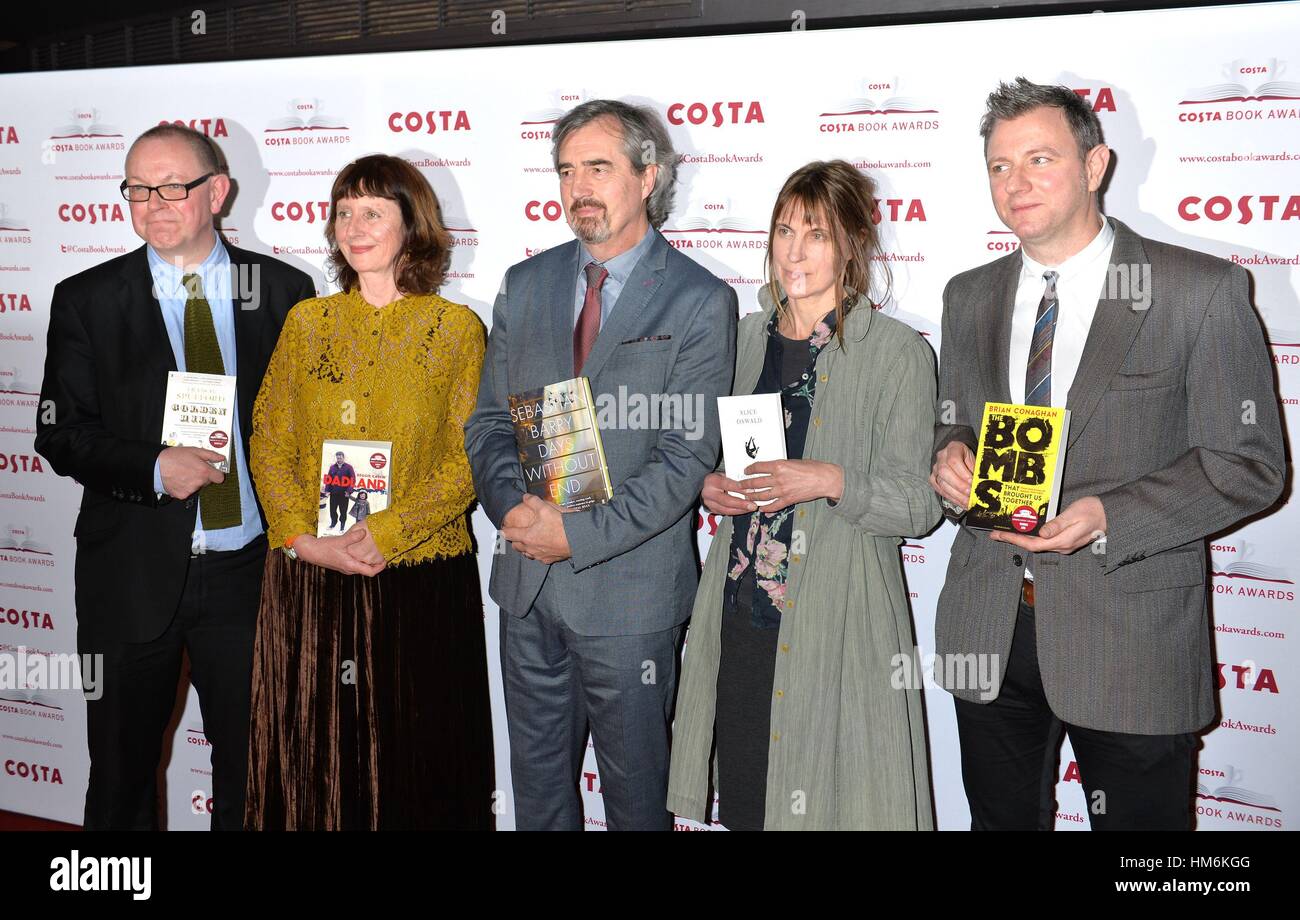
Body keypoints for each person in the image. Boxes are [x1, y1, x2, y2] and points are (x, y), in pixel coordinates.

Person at [929, 78, 1285, 831]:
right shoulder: (969, 295)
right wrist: (950, 454)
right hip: (990, 628)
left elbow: (1249, 462)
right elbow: (953, 419)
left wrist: (1107, 516)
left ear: (1095, 166)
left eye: (1039, 159)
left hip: (1131, 639)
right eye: (999, 165)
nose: (1015, 183)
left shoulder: (1199, 291)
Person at [465, 99, 737, 831]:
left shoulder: (699, 300)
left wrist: (576, 536)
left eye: (598, 167)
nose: (578, 186)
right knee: (541, 802)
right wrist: (512, 512)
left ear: (649, 176)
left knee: (636, 804)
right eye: (565, 170)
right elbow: (489, 421)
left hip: (630, 602)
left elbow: (686, 460)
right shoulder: (526, 286)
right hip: (527, 584)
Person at [34, 124, 315, 830]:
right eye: (137, 189)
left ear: (217, 192)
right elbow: (61, 433)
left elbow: (308, 430)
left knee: (256, 771)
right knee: (122, 774)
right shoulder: (86, 299)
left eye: (172, 186)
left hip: (250, 574)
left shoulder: (284, 290)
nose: (153, 203)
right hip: (127, 572)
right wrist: (154, 465)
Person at [667, 161, 940, 830]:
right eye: (784, 230)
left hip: (838, 624)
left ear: (853, 243)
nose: (794, 251)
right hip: (741, 615)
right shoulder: (741, 337)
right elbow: (714, 458)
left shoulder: (898, 353)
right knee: (752, 808)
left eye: (816, 234)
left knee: (838, 810)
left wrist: (829, 480)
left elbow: (921, 505)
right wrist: (712, 487)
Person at [245, 153, 492, 830]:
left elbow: (470, 456)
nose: (353, 227)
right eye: (344, 211)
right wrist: (302, 539)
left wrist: (384, 534)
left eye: (373, 212)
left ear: (412, 226)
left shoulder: (455, 330)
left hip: (417, 581)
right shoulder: (307, 324)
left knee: (415, 762)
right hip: (314, 580)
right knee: (317, 767)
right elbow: (269, 438)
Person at [324, 450, 354, 531]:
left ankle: (342, 525)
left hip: (344, 494)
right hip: (334, 493)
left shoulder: (349, 467)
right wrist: (327, 490)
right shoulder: (332, 467)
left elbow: (352, 480)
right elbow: (328, 480)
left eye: (340, 457)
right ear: (336, 458)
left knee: (343, 510)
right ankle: (333, 523)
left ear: (343, 458)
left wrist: (349, 491)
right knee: (332, 510)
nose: (339, 459)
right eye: (338, 458)